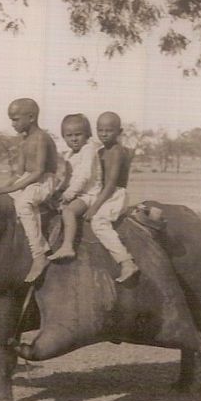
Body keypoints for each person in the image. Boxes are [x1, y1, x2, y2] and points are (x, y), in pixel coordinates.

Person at [0, 98, 59, 282]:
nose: (12, 124)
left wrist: (13, 188)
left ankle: (39, 254)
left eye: (15, 119)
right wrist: (5, 188)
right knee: (1, 200)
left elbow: (39, 171)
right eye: (11, 120)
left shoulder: (41, 138)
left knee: (23, 203)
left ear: (31, 117)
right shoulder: (24, 140)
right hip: (28, 180)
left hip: (44, 181)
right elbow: (20, 173)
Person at [85, 112, 140, 283]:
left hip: (115, 194)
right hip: (103, 193)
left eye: (108, 130)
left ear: (119, 131)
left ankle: (126, 261)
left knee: (99, 222)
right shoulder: (101, 151)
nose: (103, 134)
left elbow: (111, 184)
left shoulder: (117, 151)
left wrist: (94, 208)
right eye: (100, 130)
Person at [48, 114, 102, 261]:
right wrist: (59, 191)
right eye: (69, 135)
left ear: (87, 134)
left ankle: (67, 247)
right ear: (64, 137)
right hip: (77, 193)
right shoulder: (69, 155)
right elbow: (68, 179)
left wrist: (68, 194)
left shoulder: (88, 150)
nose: (74, 139)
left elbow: (85, 176)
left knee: (68, 211)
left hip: (89, 194)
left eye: (78, 134)